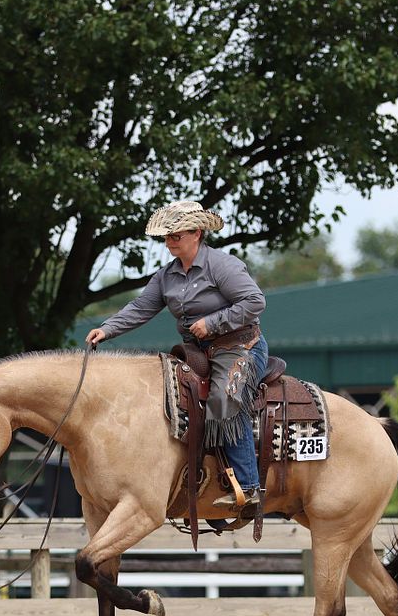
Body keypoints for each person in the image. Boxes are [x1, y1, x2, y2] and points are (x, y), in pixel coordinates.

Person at [86, 200, 268, 509]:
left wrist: (212, 323)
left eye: (176, 235)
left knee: (224, 399)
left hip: (239, 346)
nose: (170, 242)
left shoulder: (222, 265)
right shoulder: (166, 276)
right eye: (167, 237)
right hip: (196, 352)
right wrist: (108, 329)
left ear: (197, 233)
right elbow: (141, 307)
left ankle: (249, 488)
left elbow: (254, 301)